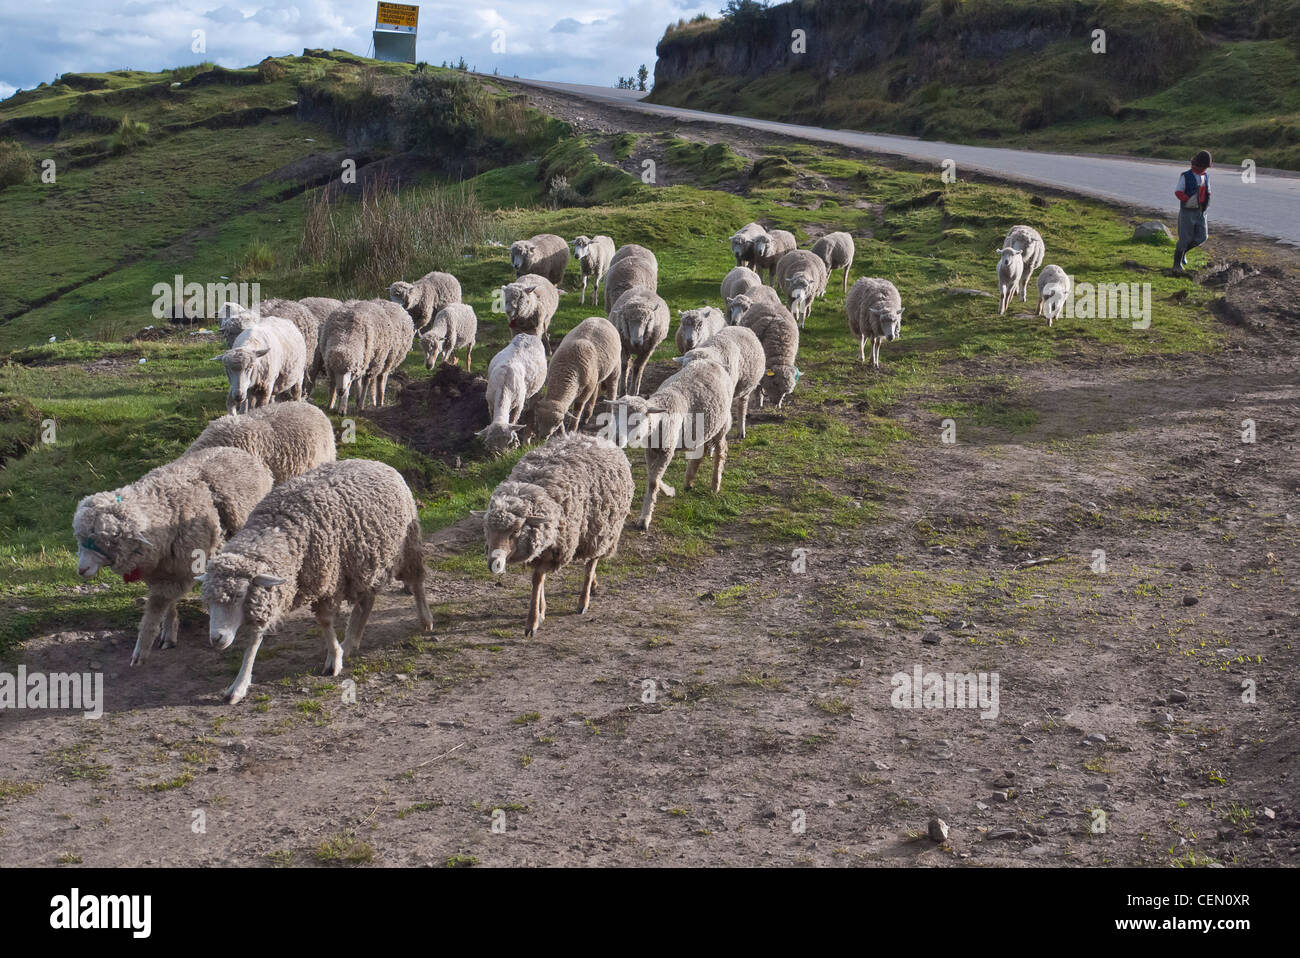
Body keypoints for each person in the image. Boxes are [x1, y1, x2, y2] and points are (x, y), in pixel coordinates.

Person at [1173, 150, 1212, 274]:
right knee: (1185, 238)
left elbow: (1208, 192)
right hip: (1187, 212)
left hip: (1201, 211)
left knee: (1202, 236)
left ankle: (1184, 252)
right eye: (1203, 167)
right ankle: (1176, 264)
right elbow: (1178, 192)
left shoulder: (1206, 176)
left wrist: (1206, 203)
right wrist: (1188, 200)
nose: (1204, 169)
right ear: (1196, 164)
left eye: (1206, 167)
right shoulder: (1186, 176)